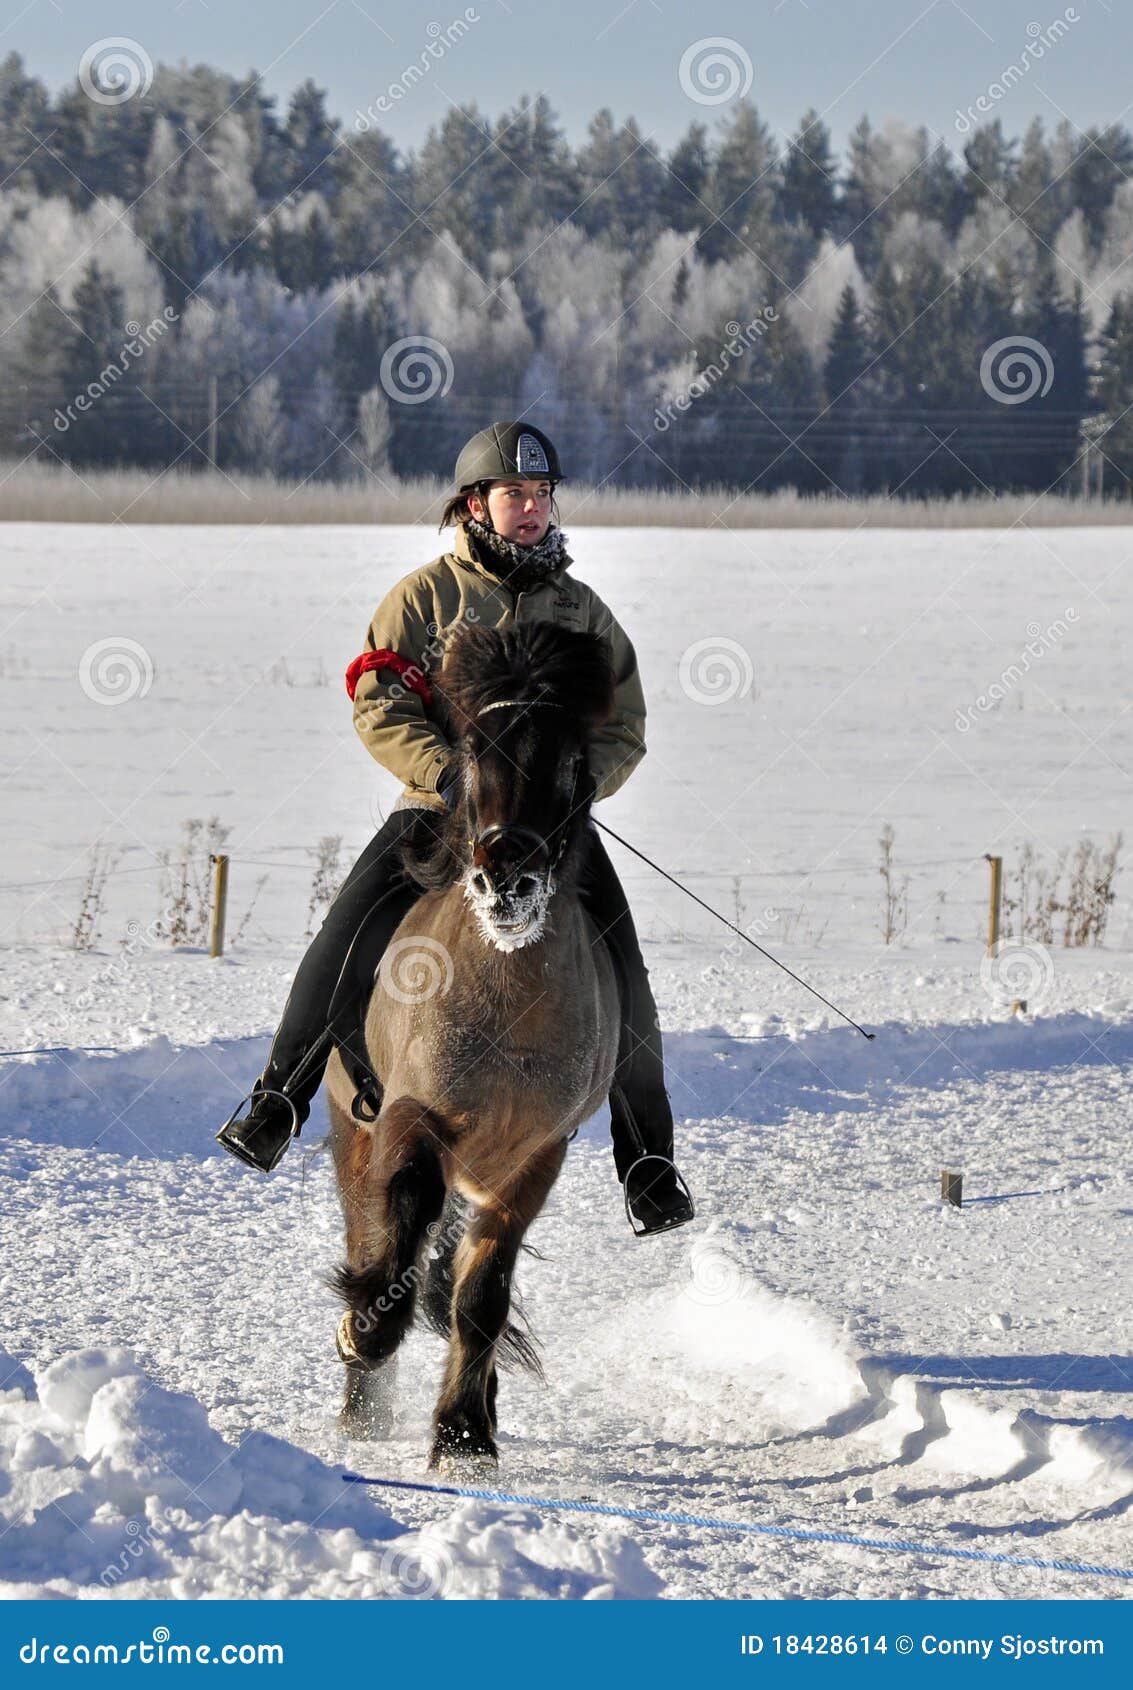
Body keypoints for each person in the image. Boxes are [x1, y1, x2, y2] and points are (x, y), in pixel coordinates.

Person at [217, 420, 693, 1236]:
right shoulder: (422, 598)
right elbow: (378, 702)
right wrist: (446, 775)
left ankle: (646, 1159)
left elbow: (626, 727)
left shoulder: (583, 613)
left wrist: (577, 788)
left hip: (546, 827)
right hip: (435, 811)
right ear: (475, 502)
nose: (532, 510)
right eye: (515, 494)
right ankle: (278, 1096)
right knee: (348, 932)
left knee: (624, 963)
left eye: (542, 495)